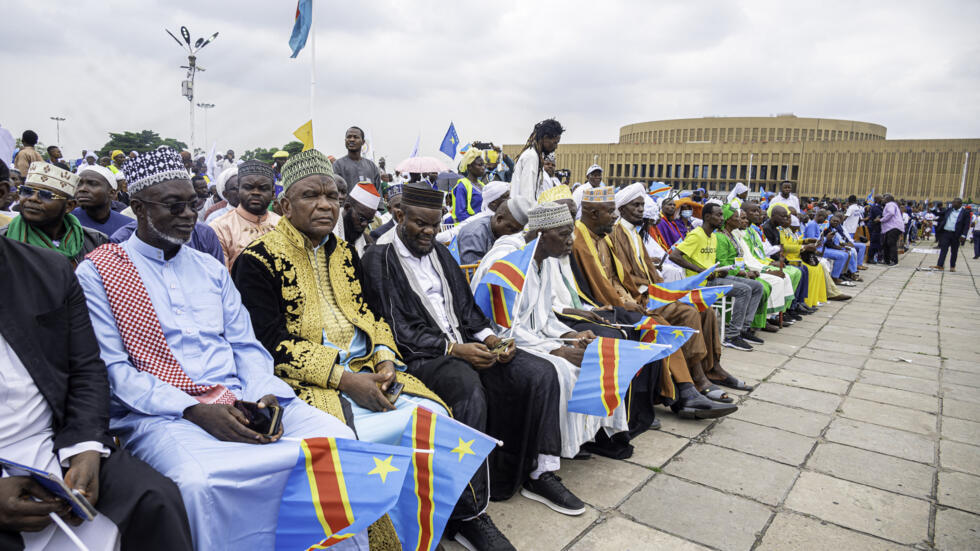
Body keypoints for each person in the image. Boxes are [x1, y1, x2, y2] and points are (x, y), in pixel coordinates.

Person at [74, 147, 365, 551]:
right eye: (173, 206)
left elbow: (245, 346)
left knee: (339, 443)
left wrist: (263, 393)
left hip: (242, 398)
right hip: (162, 415)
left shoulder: (209, 268)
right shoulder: (99, 272)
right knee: (197, 483)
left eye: (192, 204)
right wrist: (194, 410)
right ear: (138, 208)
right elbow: (115, 370)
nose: (189, 215)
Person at [361, 183, 582, 522]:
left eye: (435, 225)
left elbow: (468, 312)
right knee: (468, 389)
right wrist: (454, 349)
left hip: (464, 345)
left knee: (540, 372)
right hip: (421, 358)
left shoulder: (440, 253)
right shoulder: (379, 257)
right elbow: (396, 326)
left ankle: (539, 473)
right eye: (421, 223)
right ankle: (468, 512)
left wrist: (492, 340)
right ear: (400, 216)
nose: (430, 232)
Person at [0, 236, 195, 551]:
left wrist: (86, 447)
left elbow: (86, 368)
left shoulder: (48, 270)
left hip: (53, 438)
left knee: (156, 498)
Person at [571, 186, 742, 414]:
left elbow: (626, 276)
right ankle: (689, 387)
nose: (615, 217)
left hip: (632, 296)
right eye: (612, 212)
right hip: (610, 304)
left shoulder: (605, 237)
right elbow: (603, 286)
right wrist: (631, 299)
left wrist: (660, 290)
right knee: (666, 320)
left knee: (704, 310)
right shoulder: (584, 238)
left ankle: (708, 371)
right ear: (593, 214)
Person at [670, 202, 765, 351]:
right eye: (718, 215)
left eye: (722, 215)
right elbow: (674, 256)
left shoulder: (713, 237)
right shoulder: (696, 235)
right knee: (744, 290)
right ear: (707, 217)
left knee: (757, 286)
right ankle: (732, 336)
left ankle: (743, 330)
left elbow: (708, 262)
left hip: (713, 278)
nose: (722, 218)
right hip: (699, 283)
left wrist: (719, 270)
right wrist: (701, 271)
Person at [1, 162, 107, 266]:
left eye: (46, 195)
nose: (32, 198)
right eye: (27, 191)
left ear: (69, 206)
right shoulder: (4, 238)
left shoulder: (95, 240)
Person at [715, 204, 785, 332]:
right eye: (737, 218)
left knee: (759, 286)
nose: (741, 221)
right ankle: (736, 330)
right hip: (726, 275)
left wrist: (747, 271)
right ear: (728, 220)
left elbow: (741, 259)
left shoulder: (732, 235)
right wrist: (743, 273)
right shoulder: (721, 237)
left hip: (737, 271)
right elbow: (723, 264)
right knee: (751, 288)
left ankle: (746, 327)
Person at [209, 161, 280, 270]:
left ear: (273, 192)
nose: (255, 192)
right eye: (248, 187)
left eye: (263, 188)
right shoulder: (220, 228)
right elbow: (221, 279)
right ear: (239, 190)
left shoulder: (282, 224)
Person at [457, 195, 531, 265]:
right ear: (499, 219)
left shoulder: (501, 233)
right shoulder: (473, 235)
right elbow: (472, 275)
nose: (514, 236)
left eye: (518, 232)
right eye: (512, 230)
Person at [70, 164, 132, 237]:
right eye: (78, 184)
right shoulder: (67, 222)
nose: (82, 189)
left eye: (92, 184)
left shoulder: (128, 225)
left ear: (112, 193)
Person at [511, 119, 565, 202]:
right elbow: (527, 196)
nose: (556, 147)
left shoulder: (535, 156)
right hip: (523, 213)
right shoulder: (531, 157)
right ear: (545, 138)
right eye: (555, 142)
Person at [335, 180, 381, 257]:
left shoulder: (367, 242)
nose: (364, 224)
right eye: (361, 218)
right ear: (347, 207)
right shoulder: (327, 230)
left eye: (369, 221)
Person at [933, 197, 971, 271]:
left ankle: (952, 266)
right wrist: (932, 208)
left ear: (960, 204)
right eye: (953, 202)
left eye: (954, 202)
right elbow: (939, 213)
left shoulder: (965, 212)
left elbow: (966, 225)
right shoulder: (949, 210)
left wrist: (964, 235)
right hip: (946, 233)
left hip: (956, 235)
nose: (953, 204)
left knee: (954, 251)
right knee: (943, 249)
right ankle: (940, 265)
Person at [451, 148, 486, 223]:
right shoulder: (462, 186)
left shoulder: (482, 185)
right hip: (466, 229)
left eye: (483, 165)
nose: (483, 168)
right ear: (469, 167)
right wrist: (479, 223)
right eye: (480, 165)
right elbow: (460, 214)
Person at [880, 194, 903, 266]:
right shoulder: (892, 204)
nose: (882, 199)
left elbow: (891, 213)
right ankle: (886, 260)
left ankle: (894, 260)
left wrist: (881, 220)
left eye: (884, 198)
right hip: (890, 228)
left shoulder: (890, 204)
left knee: (891, 243)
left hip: (893, 227)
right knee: (886, 243)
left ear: (888, 199)